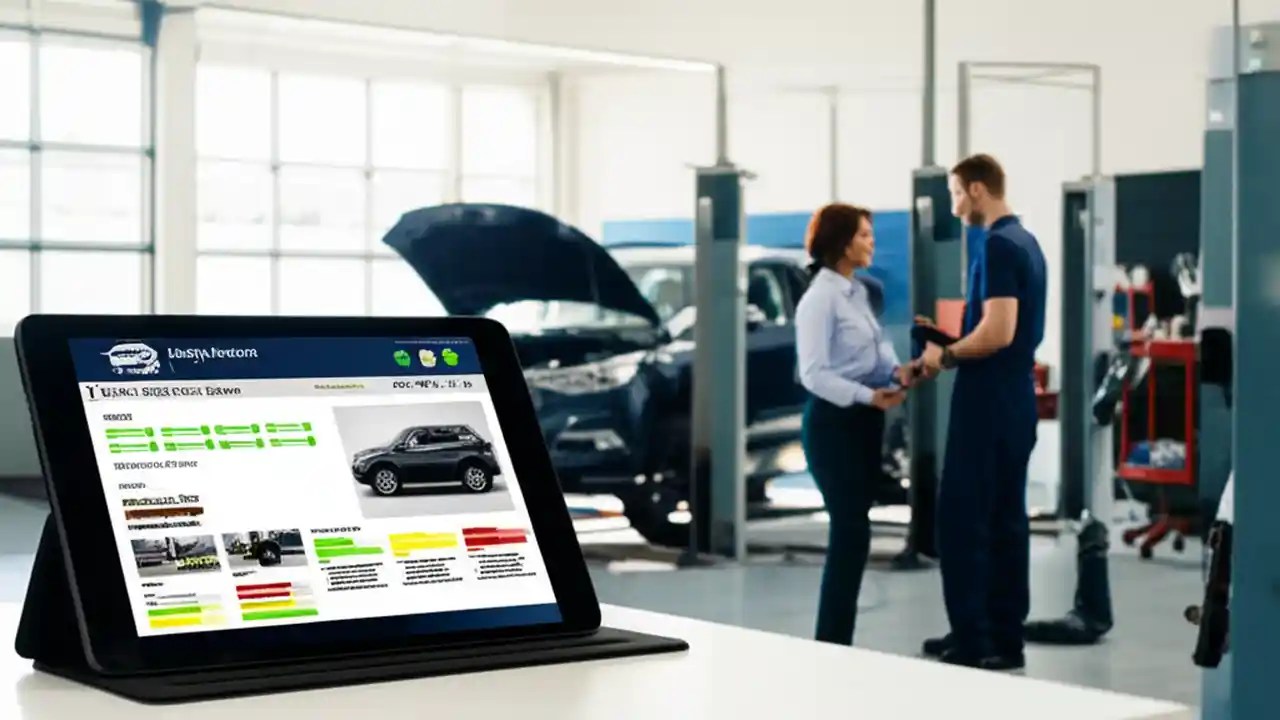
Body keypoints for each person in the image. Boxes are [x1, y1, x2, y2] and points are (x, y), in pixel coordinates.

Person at [917, 154, 1047, 670]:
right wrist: (948, 338)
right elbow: (1004, 329)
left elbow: (997, 332)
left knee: (964, 520)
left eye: (954, 194)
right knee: (1004, 519)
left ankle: (973, 639)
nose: (953, 206)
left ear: (974, 189)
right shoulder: (1028, 244)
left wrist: (944, 355)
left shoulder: (995, 244)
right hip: (1015, 397)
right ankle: (1001, 636)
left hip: (986, 400)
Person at [794, 203, 915, 646]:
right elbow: (814, 373)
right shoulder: (819, 299)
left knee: (855, 533)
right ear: (843, 244)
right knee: (849, 531)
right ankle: (831, 642)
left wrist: (901, 373)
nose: (871, 242)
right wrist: (868, 395)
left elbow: (877, 352)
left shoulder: (857, 291)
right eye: (864, 235)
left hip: (865, 424)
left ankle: (838, 640)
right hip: (833, 426)